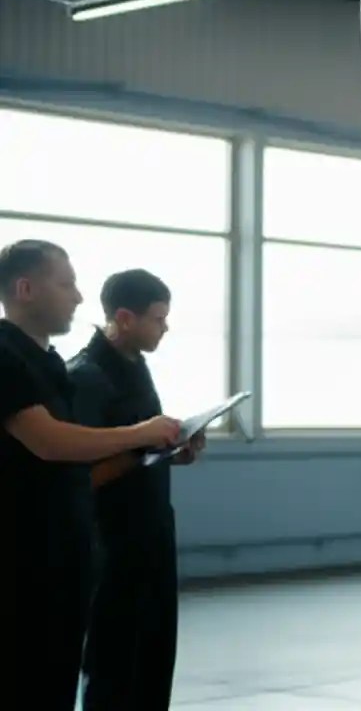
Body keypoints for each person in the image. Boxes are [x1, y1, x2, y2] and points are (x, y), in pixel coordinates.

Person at [0, 240, 180, 711]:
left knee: (59, 673)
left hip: (67, 552)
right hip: (26, 558)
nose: (78, 297)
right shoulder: (6, 358)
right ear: (25, 289)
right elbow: (53, 441)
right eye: (66, 285)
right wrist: (139, 433)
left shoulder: (47, 362)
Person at [68, 269, 205, 711]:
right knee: (114, 660)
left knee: (153, 652)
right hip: (112, 544)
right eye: (158, 318)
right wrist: (139, 449)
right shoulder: (86, 377)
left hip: (151, 533)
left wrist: (173, 450)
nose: (165, 328)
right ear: (125, 318)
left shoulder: (135, 366)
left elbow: (140, 449)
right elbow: (79, 476)